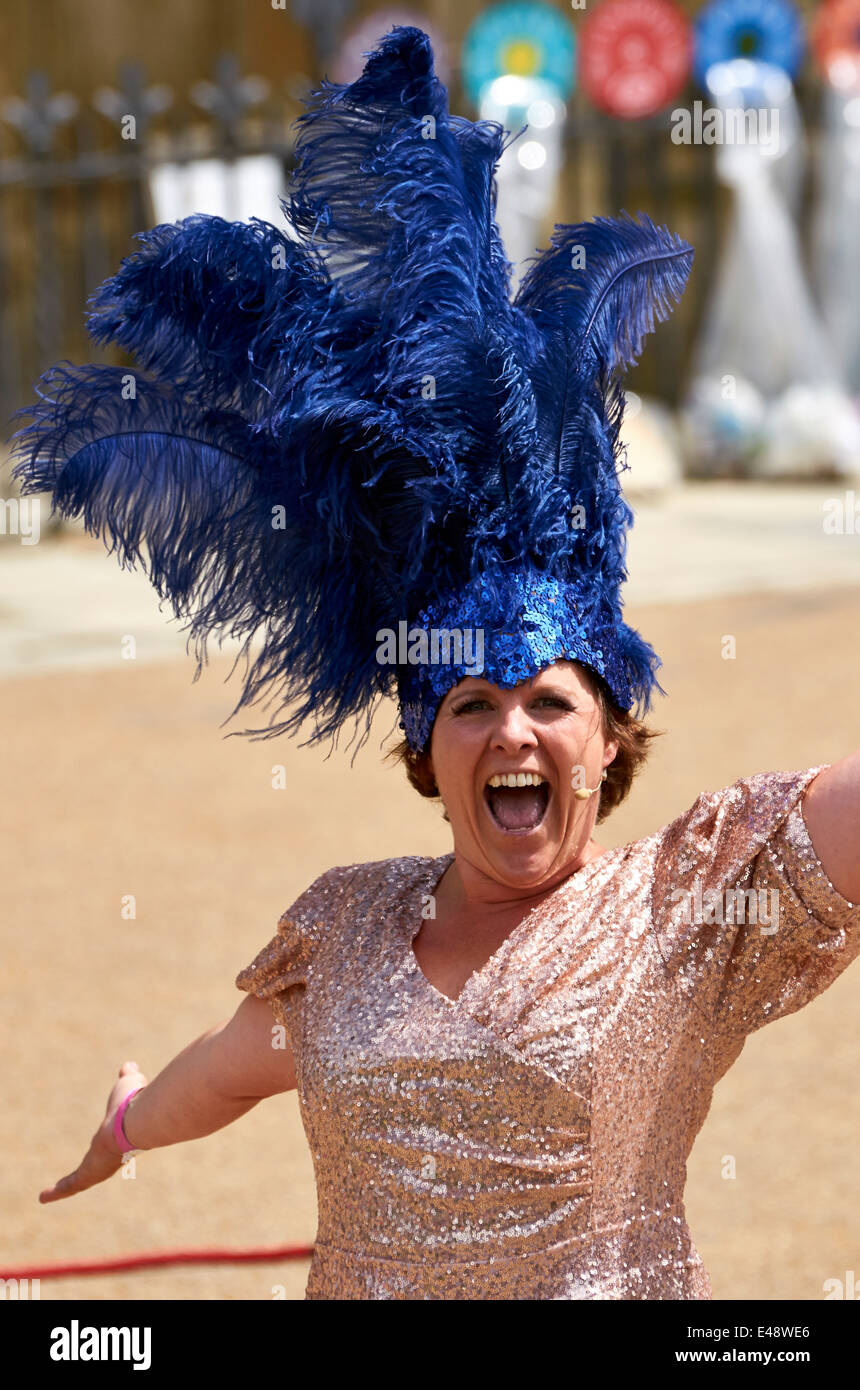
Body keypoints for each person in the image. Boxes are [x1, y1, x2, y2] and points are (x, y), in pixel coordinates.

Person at [14, 28, 860, 1299]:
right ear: (424, 747)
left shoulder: (686, 910)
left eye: (548, 701)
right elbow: (229, 1068)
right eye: (469, 702)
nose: (511, 731)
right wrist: (129, 1124)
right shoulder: (346, 924)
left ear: (606, 738)